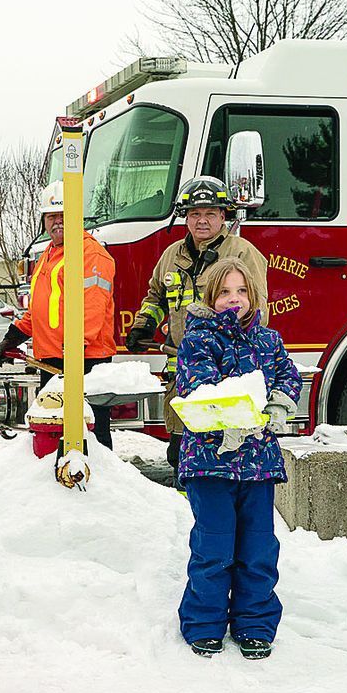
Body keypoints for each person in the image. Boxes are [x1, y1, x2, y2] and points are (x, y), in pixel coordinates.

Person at [175, 257, 300, 660]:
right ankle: (204, 623)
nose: (234, 299)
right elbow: (198, 387)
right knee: (215, 546)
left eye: (242, 291)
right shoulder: (198, 340)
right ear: (212, 297)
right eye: (225, 292)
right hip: (211, 461)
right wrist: (226, 419)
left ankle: (255, 624)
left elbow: (287, 375)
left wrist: (280, 402)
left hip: (258, 463)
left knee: (258, 548)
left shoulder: (269, 340)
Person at [126, 175, 269, 480]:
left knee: (217, 449)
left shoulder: (241, 253)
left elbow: (258, 310)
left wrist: (221, 342)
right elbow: (156, 295)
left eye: (210, 214)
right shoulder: (172, 256)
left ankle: (210, 512)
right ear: (185, 217)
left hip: (225, 373)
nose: (202, 221)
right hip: (182, 371)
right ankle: (185, 514)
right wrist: (144, 324)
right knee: (179, 451)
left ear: (223, 216)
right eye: (195, 214)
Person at [0, 180, 117, 449]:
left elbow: (93, 307)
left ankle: (96, 484)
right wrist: (12, 339)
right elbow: (40, 309)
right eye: (51, 216)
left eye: (64, 215)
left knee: (90, 432)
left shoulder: (91, 253)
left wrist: (75, 348)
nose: (57, 222)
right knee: (52, 429)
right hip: (52, 359)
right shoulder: (49, 254)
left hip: (85, 359)